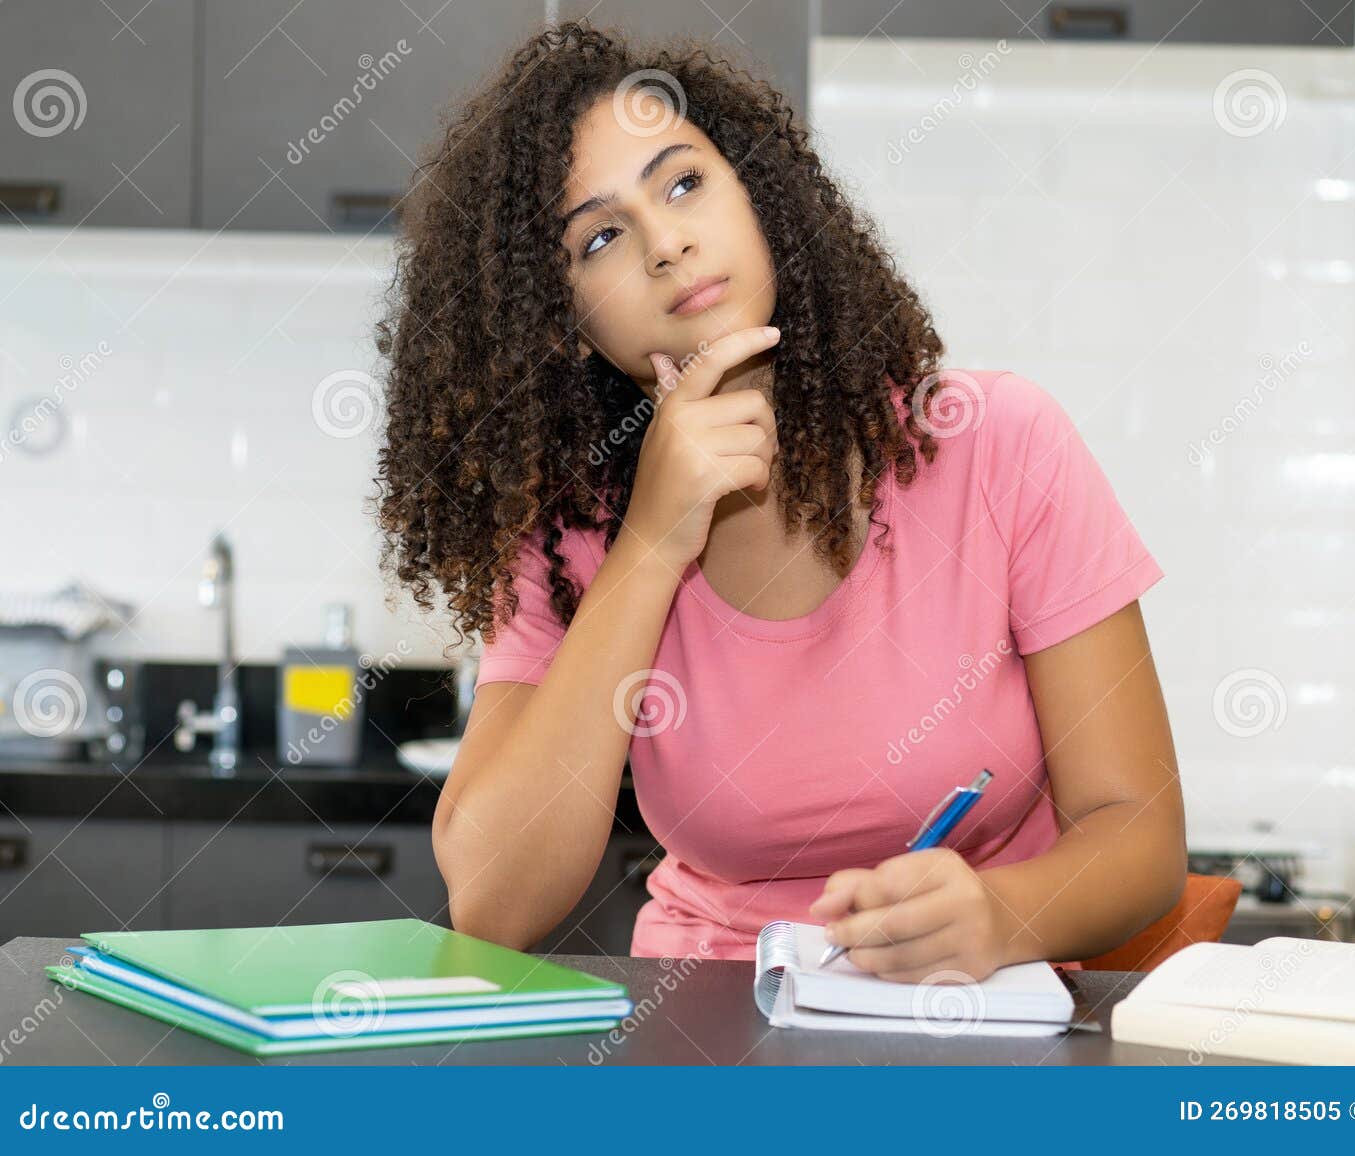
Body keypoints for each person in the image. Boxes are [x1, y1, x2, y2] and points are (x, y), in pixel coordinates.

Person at [375, 20, 1186, 983]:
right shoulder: (572, 529)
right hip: (707, 1027)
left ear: (759, 193)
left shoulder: (998, 443)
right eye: (600, 237)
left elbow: (1141, 836)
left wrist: (1002, 915)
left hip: (967, 1025)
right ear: (564, 324)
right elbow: (496, 904)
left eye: (683, 183)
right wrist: (650, 545)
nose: (666, 243)